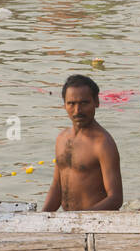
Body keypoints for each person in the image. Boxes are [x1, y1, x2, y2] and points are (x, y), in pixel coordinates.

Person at [43, 75, 123, 211]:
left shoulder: (103, 144)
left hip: (93, 224)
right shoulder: (62, 138)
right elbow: (57, 185)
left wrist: (81, 218)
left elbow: (115, 198)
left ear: (96, 102)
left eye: (84, 103)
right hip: (68, 223)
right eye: (71, 104)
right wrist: (42, 218)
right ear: (64, 105)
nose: (77, 110)